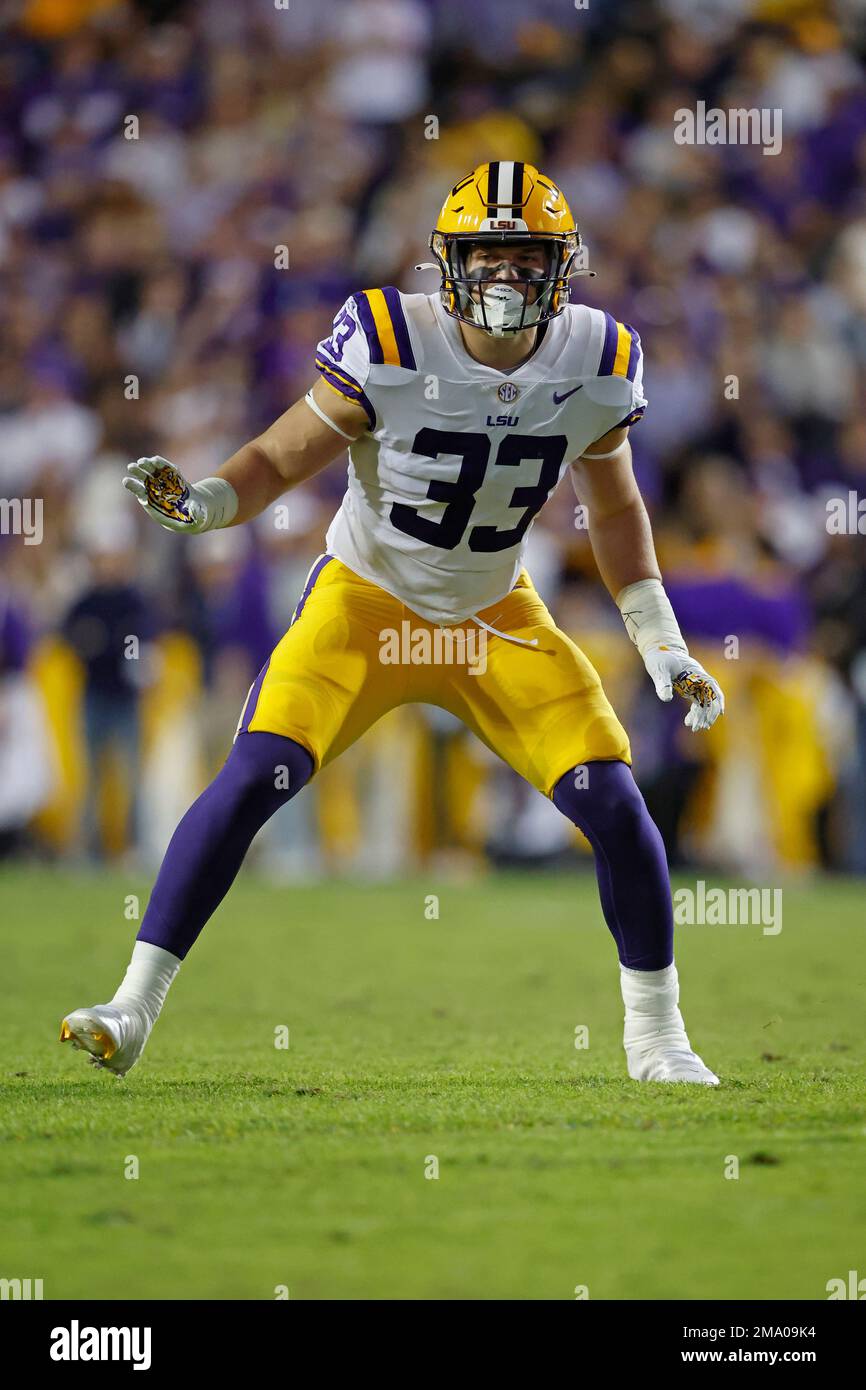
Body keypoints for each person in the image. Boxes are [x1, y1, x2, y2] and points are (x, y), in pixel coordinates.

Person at [61, 162, 724, 1084]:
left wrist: (662, 644)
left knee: (614, 803)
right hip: (366, 600)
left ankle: (660, 1041)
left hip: (495, 611)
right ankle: (131, 1007)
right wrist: (207, 503)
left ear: (562, 267)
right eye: (486, 257)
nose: (504, 278)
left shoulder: (598, 357)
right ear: (448, 263)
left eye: (525, 257)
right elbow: (281, 455)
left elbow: (612, 511)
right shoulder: (388, 336)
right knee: (255, 775)